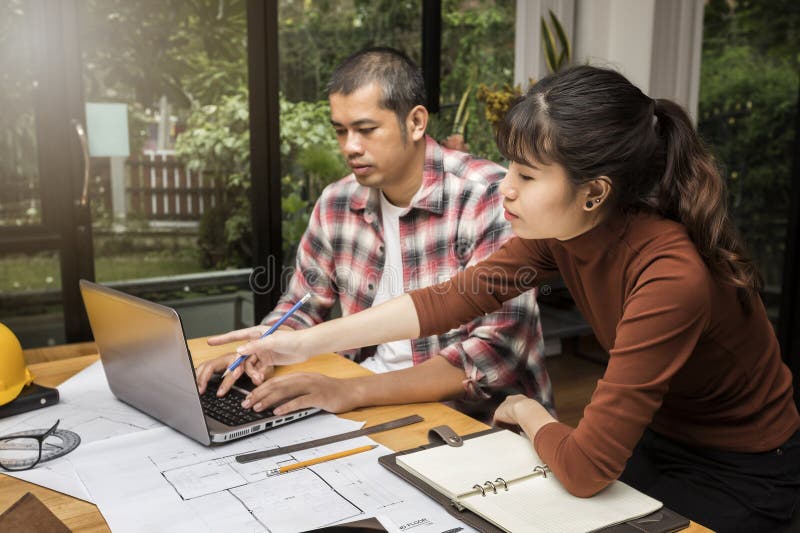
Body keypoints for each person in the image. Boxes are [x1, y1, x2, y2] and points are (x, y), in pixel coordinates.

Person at [224, 65, 800, 532]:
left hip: (745, 462)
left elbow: (583, 468)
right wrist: (299, 344)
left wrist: (527, 411)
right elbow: (446, 301)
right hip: (661, 434)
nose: (505, 186)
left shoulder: (669, 275)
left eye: (526, 175)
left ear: (595, 192)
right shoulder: (565, 235)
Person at [196, 47, 551, 420]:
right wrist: (260, 350)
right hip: (359, 398)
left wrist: (351, 391)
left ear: (415, 122)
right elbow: (301, 305)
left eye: (366, 130)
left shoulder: (488, 196)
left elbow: (496, 352)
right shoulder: (337, 201)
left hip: (472, 421)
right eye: (340, 131)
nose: (350, 146)